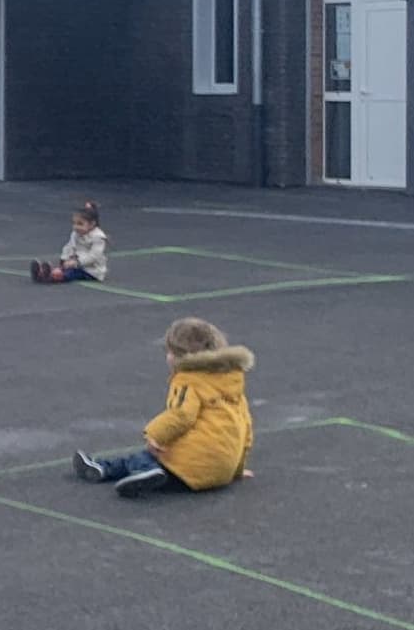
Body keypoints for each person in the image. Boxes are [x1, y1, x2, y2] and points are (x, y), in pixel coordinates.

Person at [73, 317, 255, 498]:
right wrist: (237, 469)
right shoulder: (232, 385)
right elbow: (244, 428)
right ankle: (107, 468)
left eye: (169, 352)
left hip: (186, 471)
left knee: (142, 457)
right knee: (149, 457)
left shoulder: (188, 380)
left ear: (179, 356)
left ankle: (133, 470)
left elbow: (181, 414)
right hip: (221, 472)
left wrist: (155, 435)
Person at [31, 201, 108, 284]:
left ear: (92, 224)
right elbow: (70, 246)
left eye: (80, 224)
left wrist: (77, 262)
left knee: (71, 273)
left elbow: (94, 256)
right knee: (65, 269)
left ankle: (52, 278)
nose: (76, 227)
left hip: (92, 270)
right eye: (74, 223)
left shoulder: (98, 237)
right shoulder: (76, 233)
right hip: (76, 263)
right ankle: (41, 274)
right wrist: (64, 259)